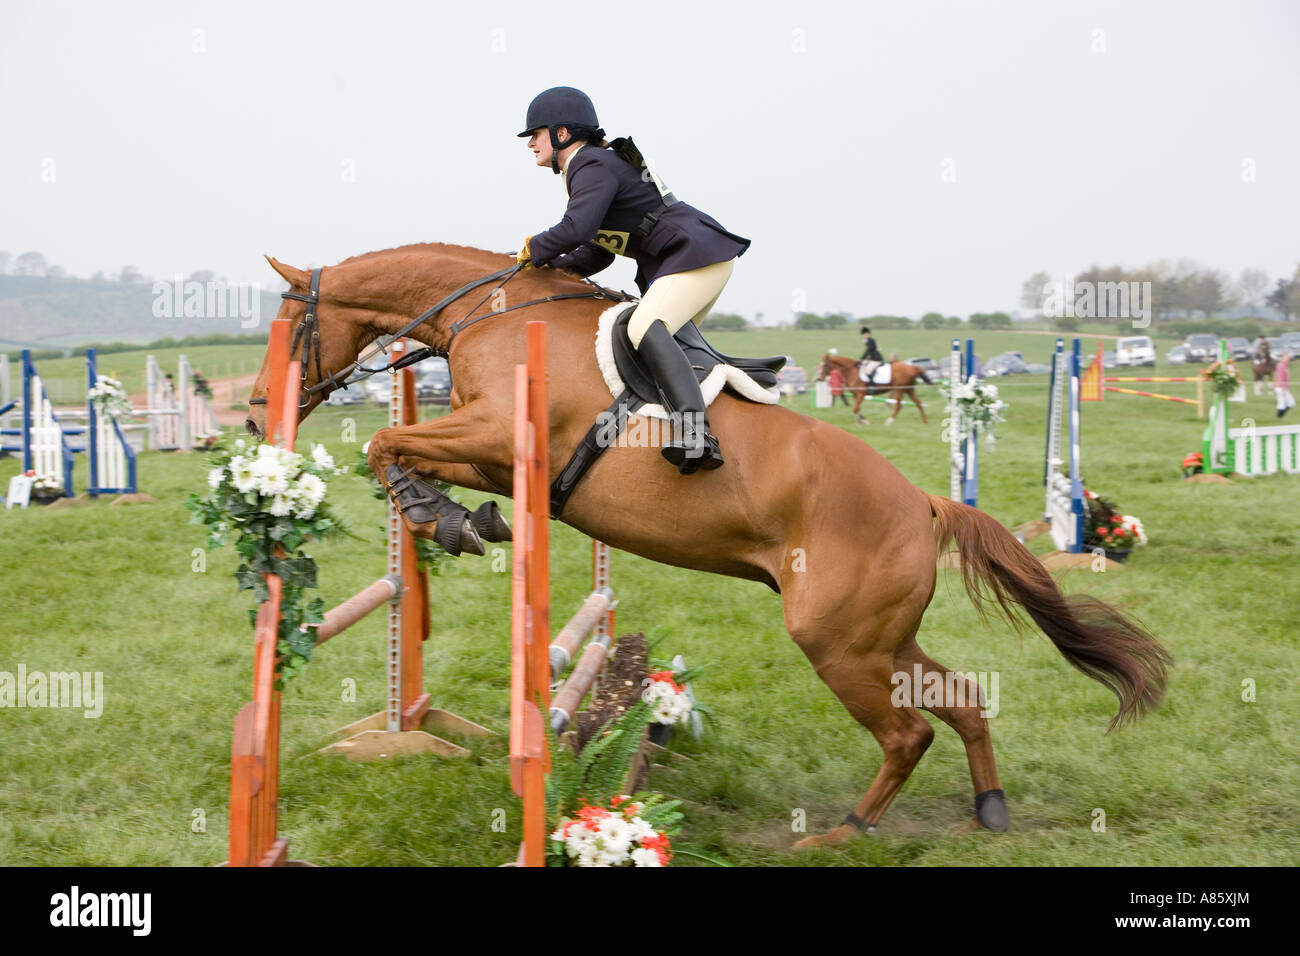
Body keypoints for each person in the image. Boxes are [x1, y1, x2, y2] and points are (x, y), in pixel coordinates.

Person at [515, 86, 750, 474]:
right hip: (694, 257)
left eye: (534, 134)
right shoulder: (590, 166)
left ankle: (697, 434)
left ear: (561, 134)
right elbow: (597, 250)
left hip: (696, 254)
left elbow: (576, 228)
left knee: (643, 327)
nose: (529, 144)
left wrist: (532, 250)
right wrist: (551, 274)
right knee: (656, 349)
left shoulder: (590, 163)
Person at [1276, 353, 1294, 419]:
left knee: (1291, 403)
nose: (1288, 360)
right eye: (1287, 359)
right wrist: (1283, 388)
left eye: (1288, 359)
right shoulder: (1281, 366)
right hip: (1281, 388)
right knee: (1282, 403)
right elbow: (1280, 377)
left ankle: (1280, 416)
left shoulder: (1285, 366)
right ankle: (1279, 417)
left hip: (1284, 388)